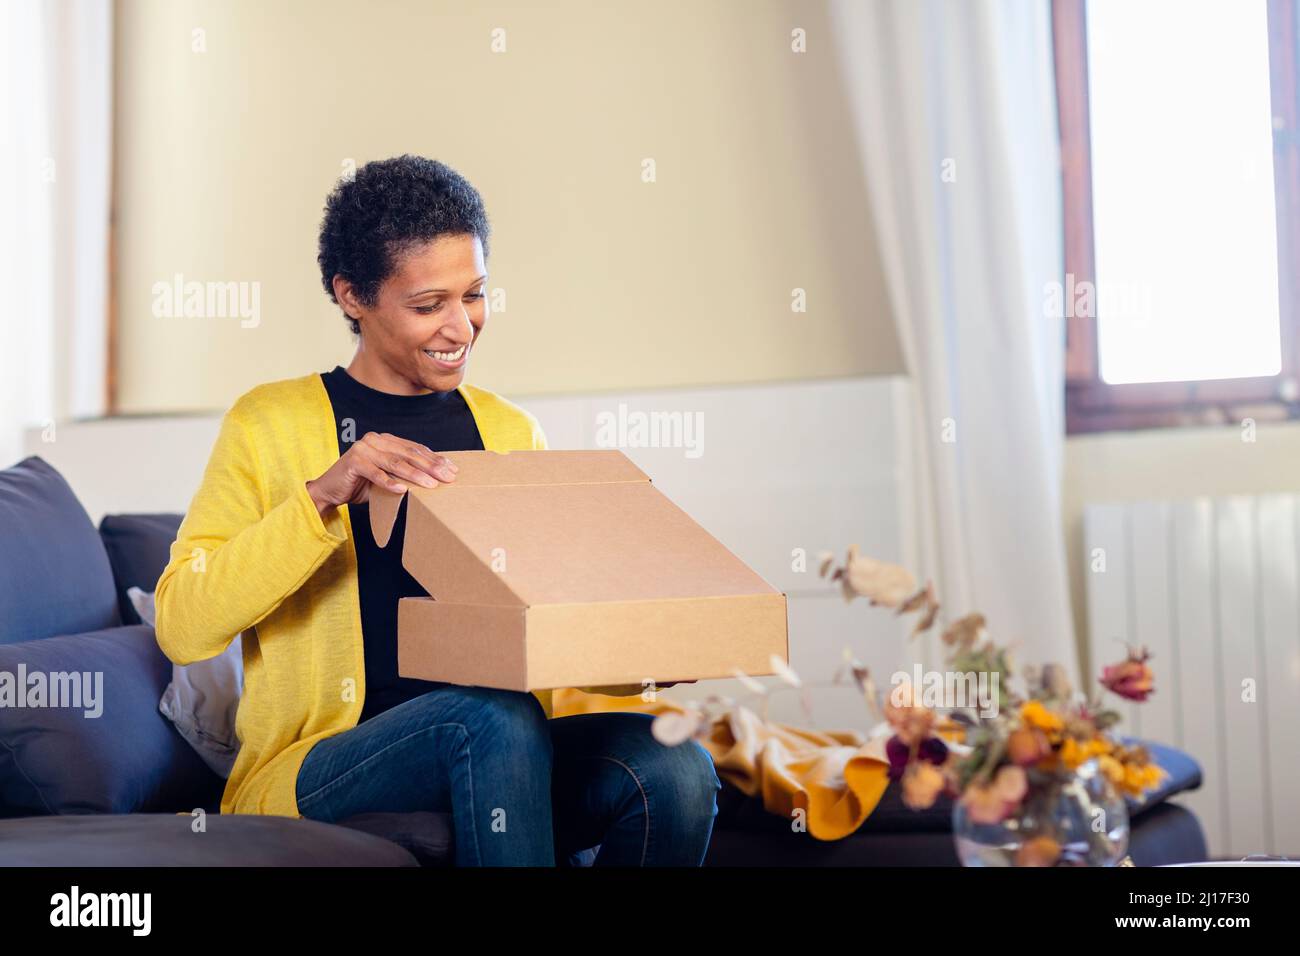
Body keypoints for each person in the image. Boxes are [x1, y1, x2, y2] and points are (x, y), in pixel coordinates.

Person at [153, 155, 720, 866]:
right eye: (430, 305)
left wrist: (642, 660)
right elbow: (182, 625)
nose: (462, 327)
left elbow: (541, 627)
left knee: (675, 768)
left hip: (504, 748)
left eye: (475, 295)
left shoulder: (510, 432)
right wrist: (321, 497)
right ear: (352, 294)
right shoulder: (268, 423)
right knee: (488, 717)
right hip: (324, 763)